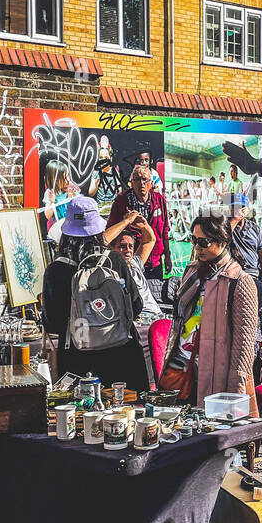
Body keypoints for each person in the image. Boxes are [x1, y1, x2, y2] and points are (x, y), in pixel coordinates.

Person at [41, 196, 148, 391]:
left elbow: (52, 323)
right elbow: (136, 306)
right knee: (127, 416)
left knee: (81, 418)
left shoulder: (56, 270)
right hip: (123, 354)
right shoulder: (114, 260)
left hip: (78, 359)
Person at [160, 214, 259, 412]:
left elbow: (244, 345)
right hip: (180, 367)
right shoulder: (191, 273)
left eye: (203, 242)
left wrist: (235, 391)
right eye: (194, 240)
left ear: (222, 241)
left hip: (214, 374)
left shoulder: (240, 281)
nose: (197, 247)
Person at [107, 164, 171, 284]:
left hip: (156, 262)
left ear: (151, 183)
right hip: (133, 263)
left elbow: (164, 230)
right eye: (136, 179)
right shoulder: (121, 201)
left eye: (145, 180)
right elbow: (111, 231)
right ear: (131, 182)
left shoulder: (159, 200)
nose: (141, 183)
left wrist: (167, 256)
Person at [110, 226, 164, 323]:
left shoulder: (135, 262)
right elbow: (104, 240)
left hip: (157, 316)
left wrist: (143, 224)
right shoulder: (111, 270)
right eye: (122, 246)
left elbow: (150, 240)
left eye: (130, 246)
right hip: (138, 320)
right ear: (112, 249)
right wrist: (126, 221)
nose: (128, 250)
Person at [227, 193, 262, 307]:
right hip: (237, 273)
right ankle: (256, 320)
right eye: (233, 207)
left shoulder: (254, 228)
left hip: (255, 271)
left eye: (240, 207)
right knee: (258, 288)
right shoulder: (226, 226)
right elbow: (223, 240)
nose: (237, 210)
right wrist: (235, 219)